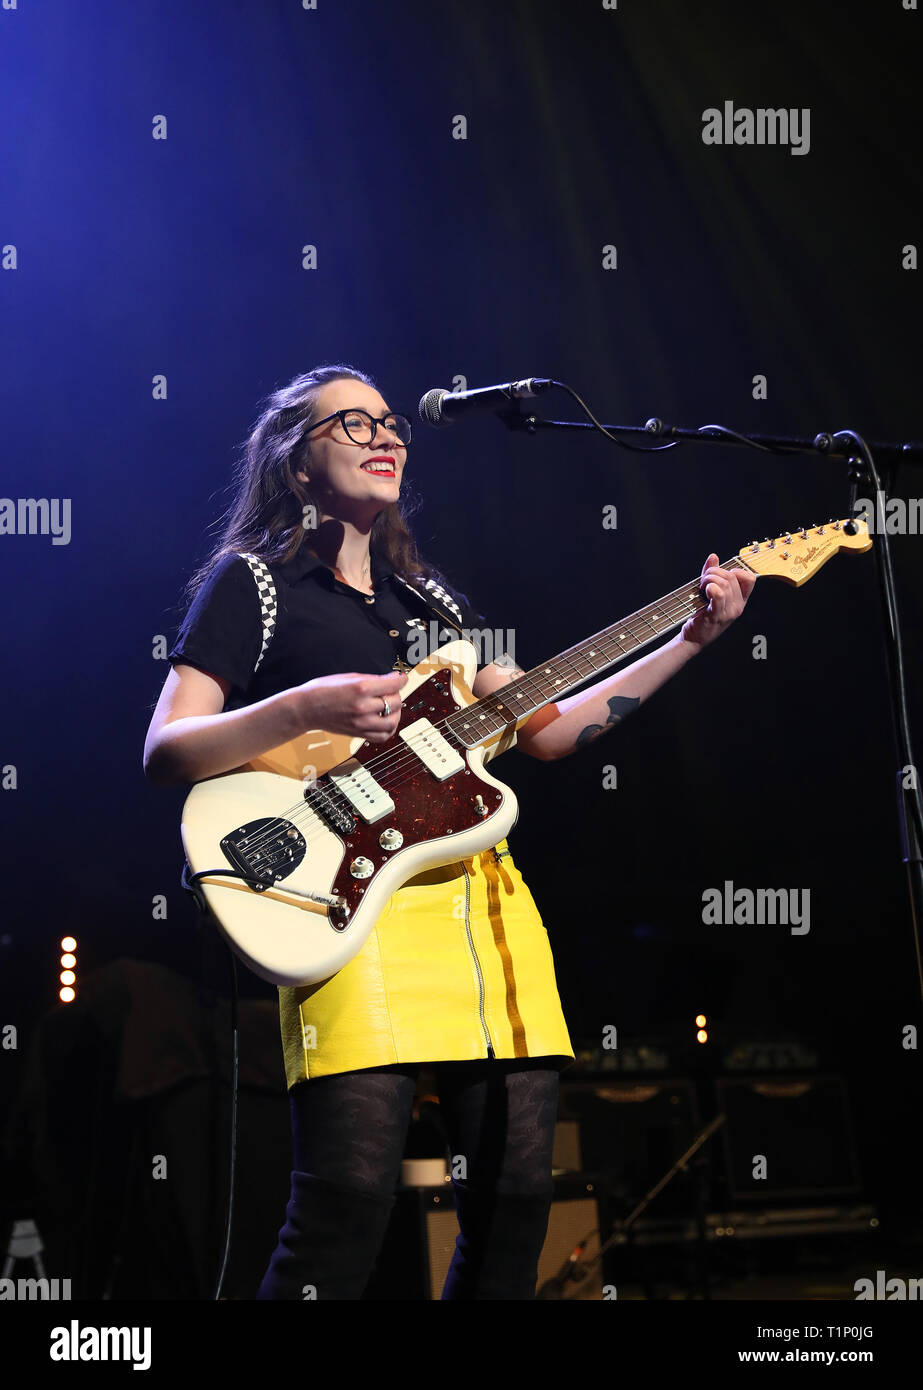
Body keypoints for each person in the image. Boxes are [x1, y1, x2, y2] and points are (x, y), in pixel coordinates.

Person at [143, 363, 755, 1300]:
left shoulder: (438, 607)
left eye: (390, 421)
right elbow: (168, 748)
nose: (384, 435)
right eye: (351, 424)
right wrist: (304, 706)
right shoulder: (255, 584)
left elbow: (548, 730)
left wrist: (687, 641)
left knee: (515, 1207)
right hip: (348, 914)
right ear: (294, 464)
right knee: (343, 1210)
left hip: (486, 917)